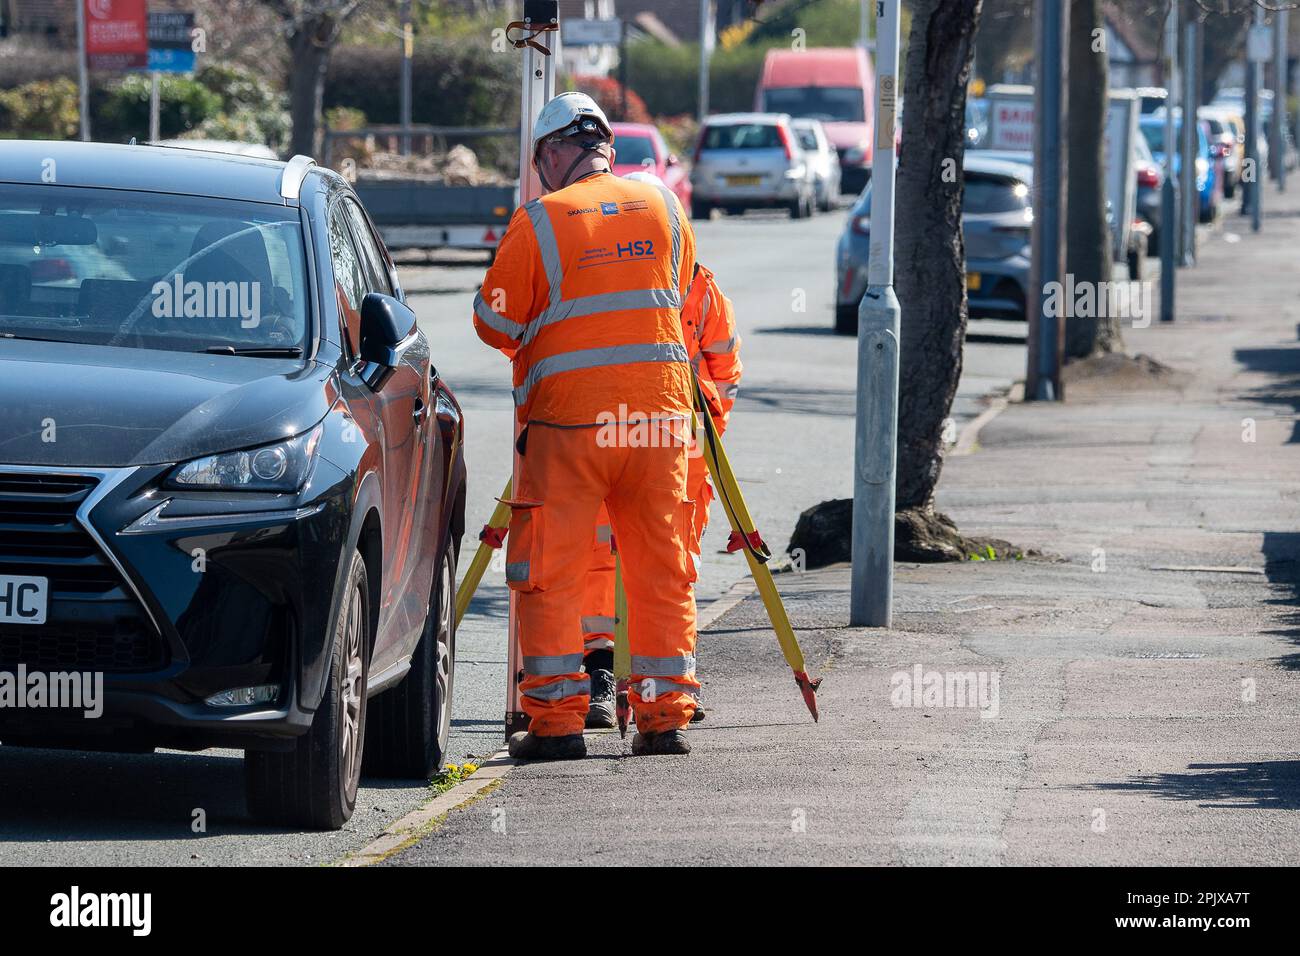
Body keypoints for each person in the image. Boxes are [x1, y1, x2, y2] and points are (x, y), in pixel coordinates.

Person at [472, 93, 701, 759]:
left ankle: (557, 725)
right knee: (662, 569)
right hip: (657, 421)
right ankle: (664, 719)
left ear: (550, 155)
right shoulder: (664, 205)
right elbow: (680, 291)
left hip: (570, 425)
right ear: (604, 144)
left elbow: (496, 324)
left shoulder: (540, 221)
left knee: (551, 571)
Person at [581, 173, 743, 730]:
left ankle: (665, 689)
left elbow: (724, 368)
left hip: (672, 453)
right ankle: (605, 677)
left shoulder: (701, 289)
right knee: (606, 562)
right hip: (624, 440)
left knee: (669, 573)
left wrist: (701, 432)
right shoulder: (618, 282)